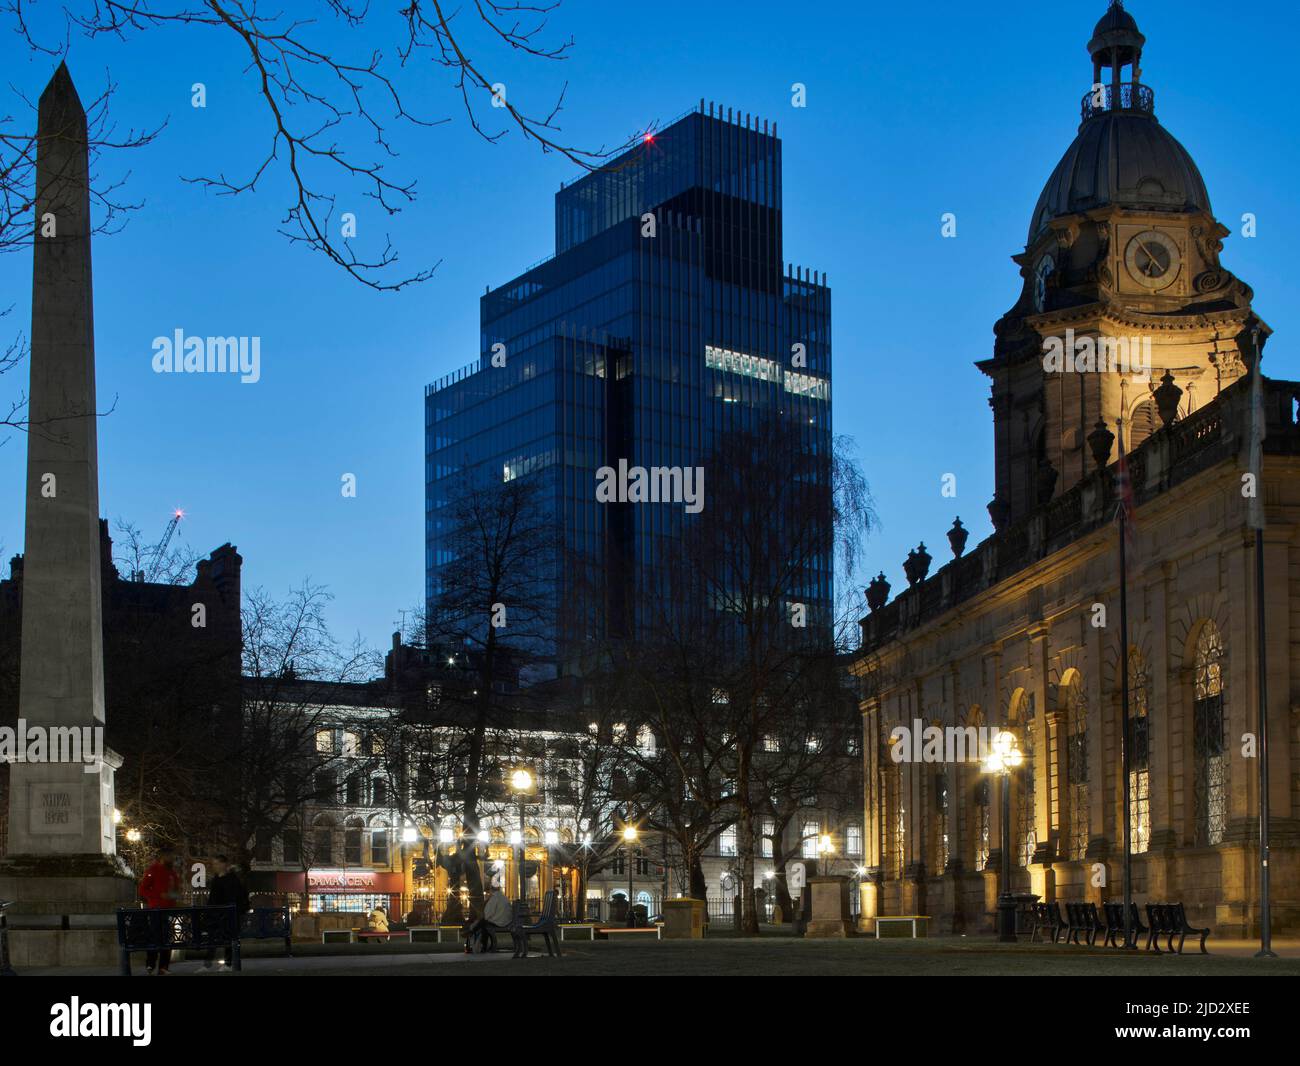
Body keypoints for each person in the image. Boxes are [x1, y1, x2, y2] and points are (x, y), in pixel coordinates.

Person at [138, 845, 181, 975]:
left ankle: (163, 967)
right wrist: (158, 895)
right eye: (170, 856)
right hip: (156, 909)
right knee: (155, 937)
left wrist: (174, 895)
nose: (173, 859)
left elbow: (176, 890)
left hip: (168, 909)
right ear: (163, 857)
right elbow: (143, 889)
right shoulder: (153, 870)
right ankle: (151, 964)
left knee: (166, 938)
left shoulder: (172, 872)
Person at [204, 855, 248, 970]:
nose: (215, 866)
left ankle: (227, 964)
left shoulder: (231, 879)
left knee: (227, 938)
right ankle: (208, 965)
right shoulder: (217, 878)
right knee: (213, 938)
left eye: (217, 864)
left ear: (224, 864)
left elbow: (235, 896)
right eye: (214, 864)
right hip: (218, 913)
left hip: (227, 913)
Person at [466, 885, 515, 954]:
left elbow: (488, 913)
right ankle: (482, 944)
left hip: (499, 922)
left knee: (483, 924)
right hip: (506, 921)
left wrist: (480, 920)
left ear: (491, 890)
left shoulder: (494, 898)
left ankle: (472, 932)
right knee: (484, 926)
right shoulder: (504, 897)